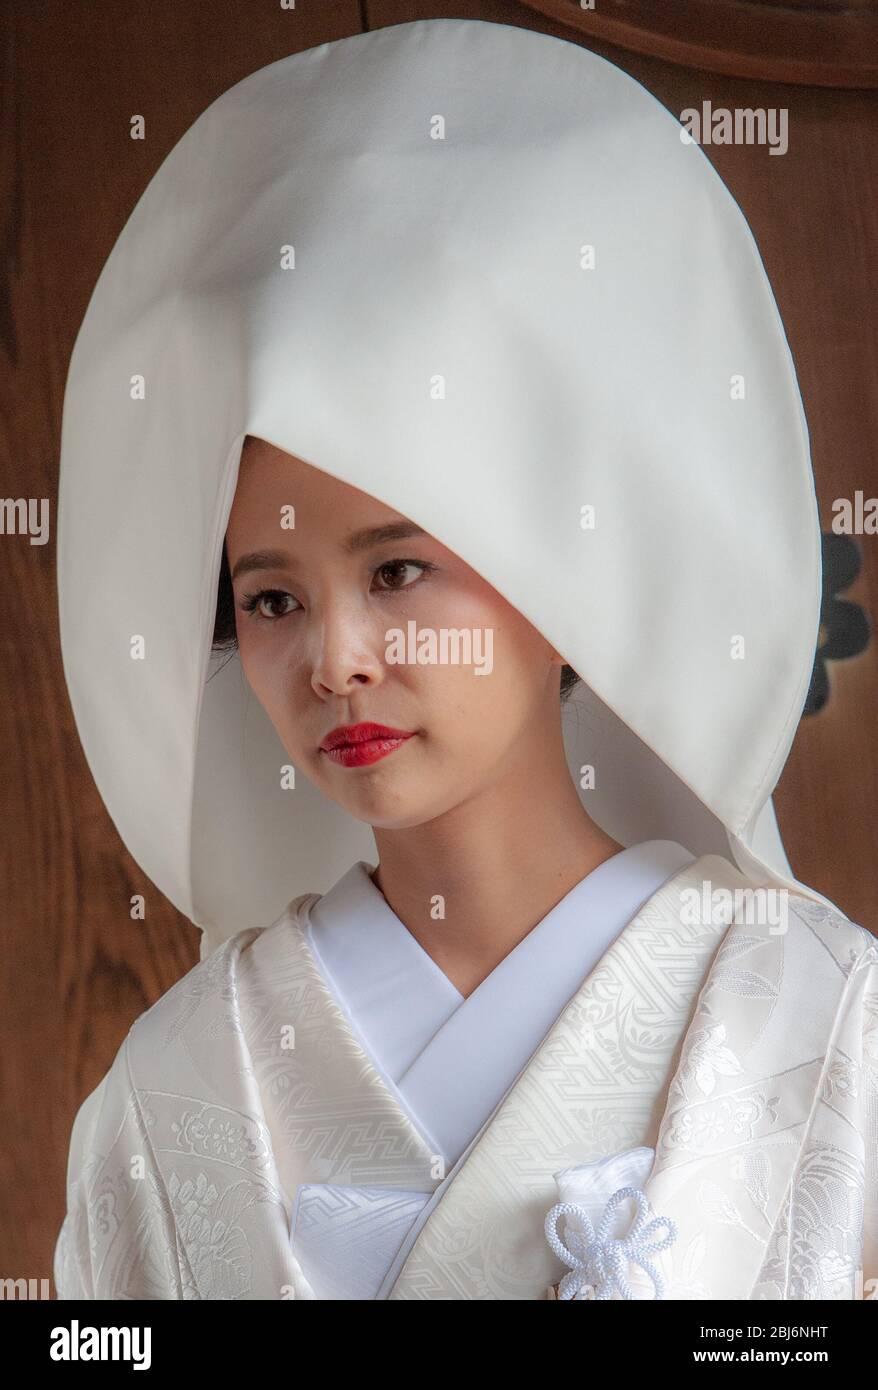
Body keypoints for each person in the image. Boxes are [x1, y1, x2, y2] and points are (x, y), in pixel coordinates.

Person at [53, 18, 876, 1300]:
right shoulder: (171, 1094)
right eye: (271, 599)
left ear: (560, 574)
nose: (334, 660)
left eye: (395, 571)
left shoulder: (815, 1025)